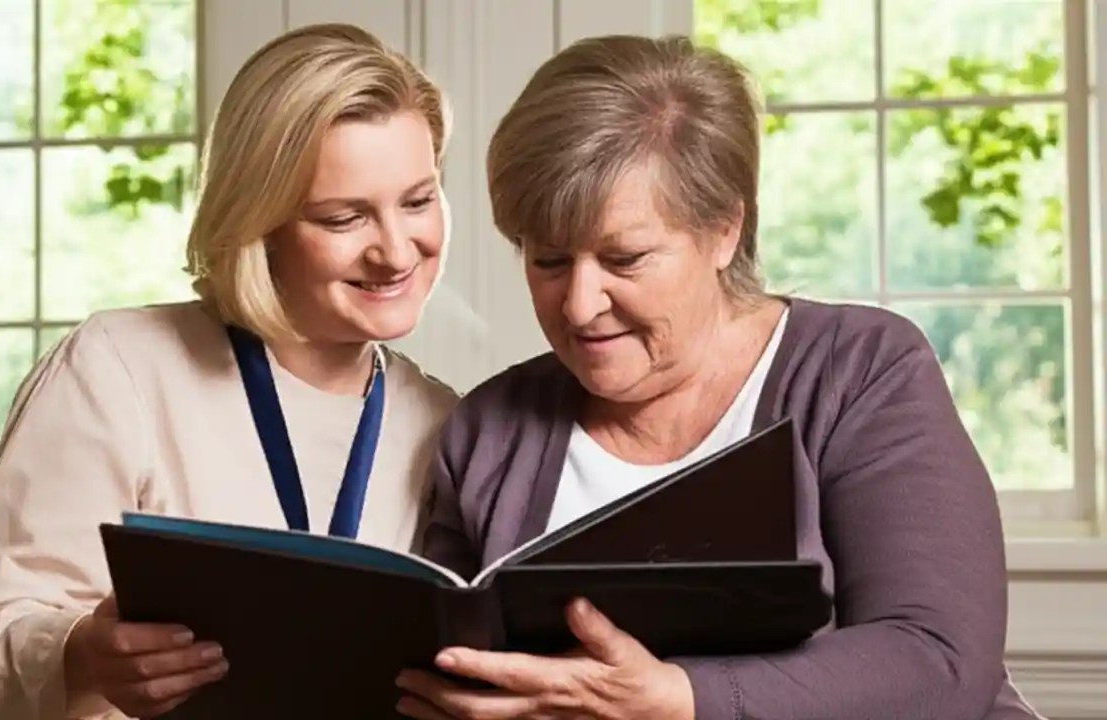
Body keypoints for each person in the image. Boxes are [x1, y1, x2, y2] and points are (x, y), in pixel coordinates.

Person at [399, 34, 1045, 720]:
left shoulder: (861, 371)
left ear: (725, 229)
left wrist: (682, 700)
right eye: (549, 261)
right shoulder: (489, 431)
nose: (580, 305)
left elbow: (937, 663)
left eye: (625, 258)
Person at [0, 23, 458, 720]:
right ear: (258, 221)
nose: (396, 251)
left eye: (417, 200)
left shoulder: (443, 420)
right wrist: (81, 652)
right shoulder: (119, 369)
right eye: (344, 217)